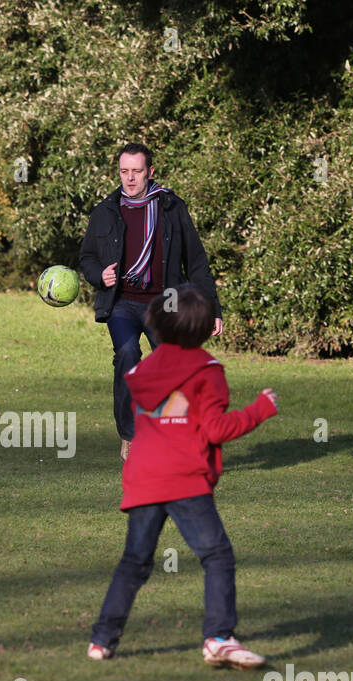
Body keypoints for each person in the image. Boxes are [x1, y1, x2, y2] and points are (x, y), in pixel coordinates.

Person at [85, 284, 278, 668]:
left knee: (134, 562)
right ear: (206, 329)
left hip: (142, 478)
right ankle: (219, 638)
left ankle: (102, 640)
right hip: (184, 478)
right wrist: (260, 409)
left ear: (155, 323)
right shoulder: (208, 372)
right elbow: (216, 430)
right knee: (217, 555)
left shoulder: (141, 370)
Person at [78, 143, 226, 461]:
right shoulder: (105, 211)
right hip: (122, 303)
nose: (130, 179)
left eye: (137, 171)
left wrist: (212, 307)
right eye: (124, 172)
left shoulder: (172, 208)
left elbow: (196, 261)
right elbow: (87, 257)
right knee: (128, 354)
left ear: (150, 172)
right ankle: (130, 435)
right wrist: (98, 275)